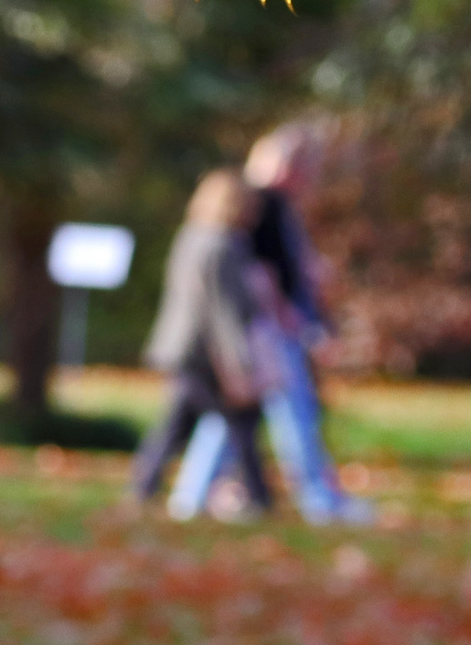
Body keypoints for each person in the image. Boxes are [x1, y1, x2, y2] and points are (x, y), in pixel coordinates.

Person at [166, 124, 374, 525]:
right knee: (292, 414)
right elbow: (260, 276)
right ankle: (318, 500)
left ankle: (190, 498)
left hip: (268, 330)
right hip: (268, 332)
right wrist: (299, 323)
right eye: (304, 168)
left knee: (230, 419)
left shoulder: (273, 204)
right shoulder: (259, 204)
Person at [130, 168, 274, 518]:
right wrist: (240, 365)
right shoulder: (223, 245)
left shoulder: (191, 237)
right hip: (207, 353)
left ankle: (143, 490)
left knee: (177, 426)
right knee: (241, 420)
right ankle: (258, 498)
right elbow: (222, 313)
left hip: (182, 347)